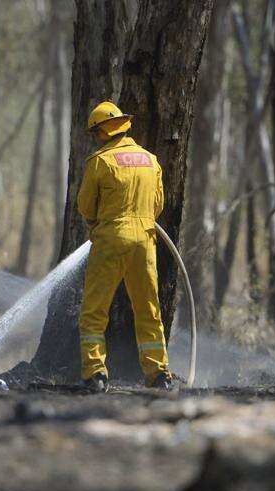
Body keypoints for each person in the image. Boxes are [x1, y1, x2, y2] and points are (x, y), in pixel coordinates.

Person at [77, 101, 173, 393]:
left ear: (103, 131)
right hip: (145, 242)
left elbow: (85, 206)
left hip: (111, 238)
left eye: (96, 133)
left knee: (94, 310)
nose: (95, 138)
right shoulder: (151, 161)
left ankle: (95, 373)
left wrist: (102, 223)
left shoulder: (100, 162)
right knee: (148, 310)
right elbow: (158, 205)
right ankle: (159, 374)